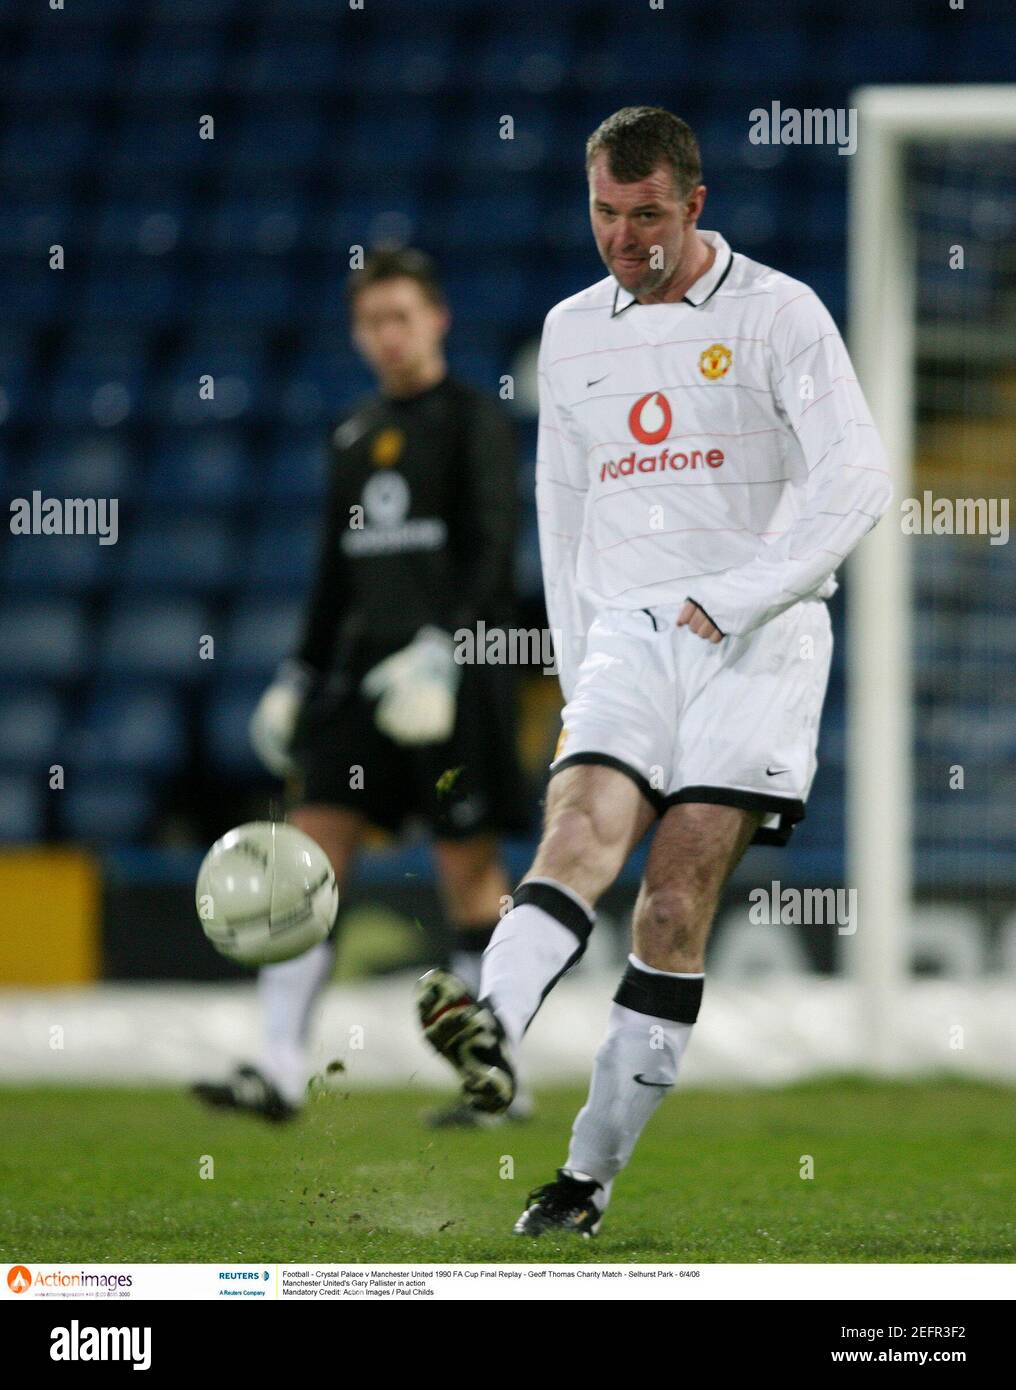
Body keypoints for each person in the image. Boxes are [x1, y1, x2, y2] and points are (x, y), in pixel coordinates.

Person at [416, 107, 893, 1233]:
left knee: (672, 902)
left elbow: (858, 480)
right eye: (602, 212)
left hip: (759, 641)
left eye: (644, 215)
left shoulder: (781, 314)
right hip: (628, 635)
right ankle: (488, 1030)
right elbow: (562, 516)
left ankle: (582, 1180)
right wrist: (584, 669)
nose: (623, 237)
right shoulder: (572, 332)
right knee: (579, 829)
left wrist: (737, 593)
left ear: (693, 203)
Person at [194, 247, 532, 1126]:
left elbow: (495, 550)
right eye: (372, 322)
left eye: (402, 318)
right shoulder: (351, 435)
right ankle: (274, 1067)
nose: (388, 336)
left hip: (454, 678)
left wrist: (446, 648)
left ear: (437, 320)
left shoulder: (473, 422)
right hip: (360, 682)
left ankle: (497, 1080)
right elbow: (333, 574)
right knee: (308, 854)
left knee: (469, 869)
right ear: (357, 332)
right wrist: (300, 674)